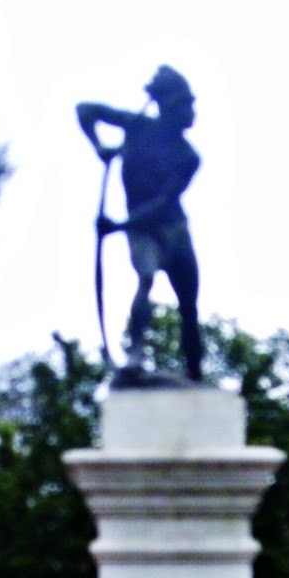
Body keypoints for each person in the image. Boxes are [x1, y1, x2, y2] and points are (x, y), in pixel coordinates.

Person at [77, 65, 203, 382]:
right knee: (145, 279)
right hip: (142, 231)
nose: (191, 112)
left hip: (172, 228)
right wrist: (99, 147)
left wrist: (117, 225)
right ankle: (135, 352)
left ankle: (195, 371)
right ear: (169, 105)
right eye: (185, 104)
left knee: (189, 304)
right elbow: (85, 110)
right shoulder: (137, 127)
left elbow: (162, 203)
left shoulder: (188, 156)